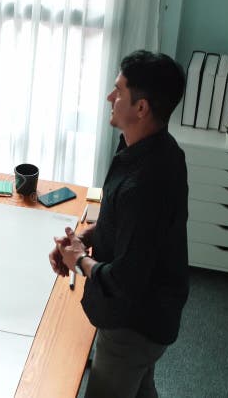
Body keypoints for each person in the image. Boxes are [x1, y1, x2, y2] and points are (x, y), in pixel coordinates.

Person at [49, 50, 189, 398]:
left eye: (118, 91)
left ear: (141, 108)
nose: (110, 97)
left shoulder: (146, 184)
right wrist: (84, 236)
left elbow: (125, 278)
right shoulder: (151, 148)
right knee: (141, 389)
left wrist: (79, 260)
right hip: (154, 311)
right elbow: (125, 223)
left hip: (135, 325)